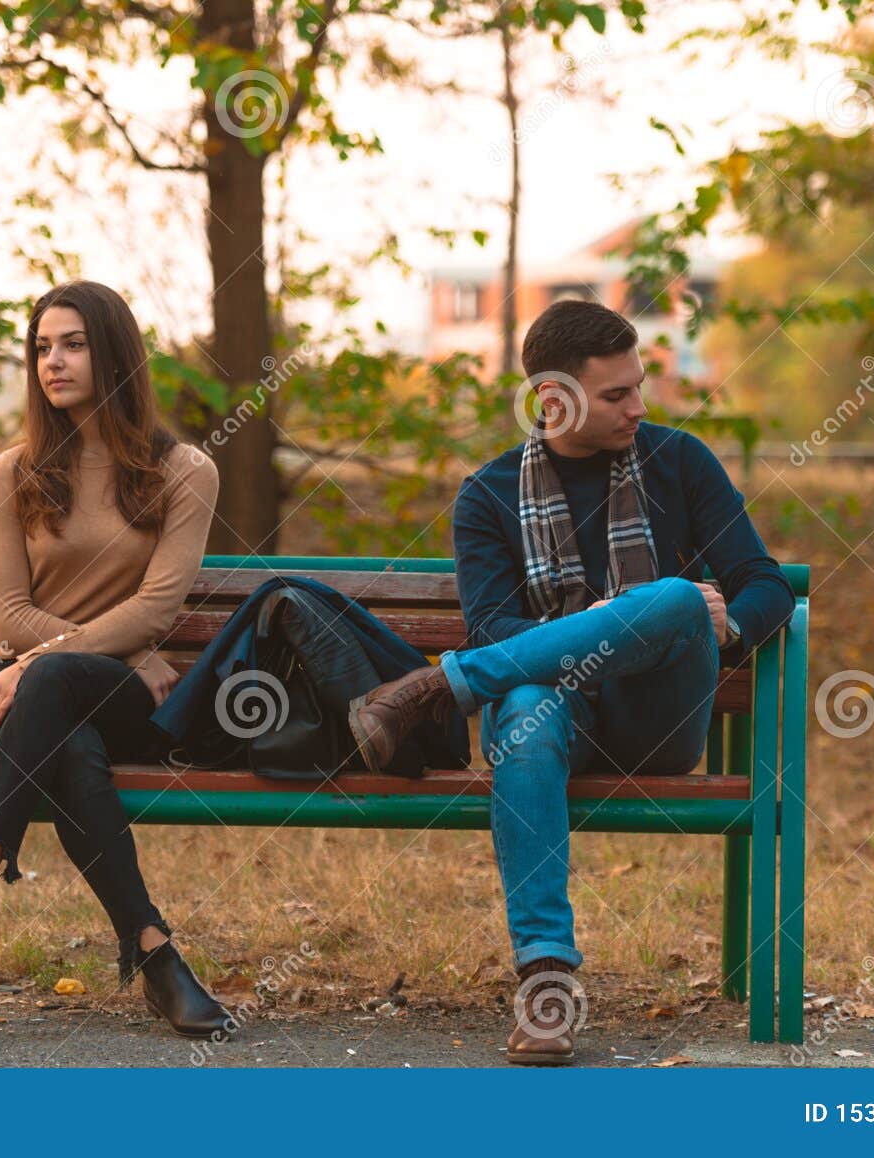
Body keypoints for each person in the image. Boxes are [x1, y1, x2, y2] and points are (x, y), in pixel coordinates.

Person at [349, 299, 795, 1065]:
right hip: (555, 726)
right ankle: (546, 985)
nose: (639, 407)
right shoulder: (488, 496)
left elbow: (766, 585)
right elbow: (494, 630)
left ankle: (438, 687)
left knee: (679, 600)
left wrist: (722, 625)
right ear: (555, 399)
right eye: (618, 394)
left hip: (658, 719)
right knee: (522, 706)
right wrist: (598, 625)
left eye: (639, 387)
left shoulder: (679, 462)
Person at [0, 280, 231, 1039]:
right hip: (12, 701)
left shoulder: (183, 472)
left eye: (73, 344)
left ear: (114, 354)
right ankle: (155, 954)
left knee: (55, 690)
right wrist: (46, 660)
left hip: (119, 701)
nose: (53, 361)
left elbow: (157, 606)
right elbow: (5, 613)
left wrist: (38, 660)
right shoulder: (11, 473)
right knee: (67, 743)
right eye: (42, 347)